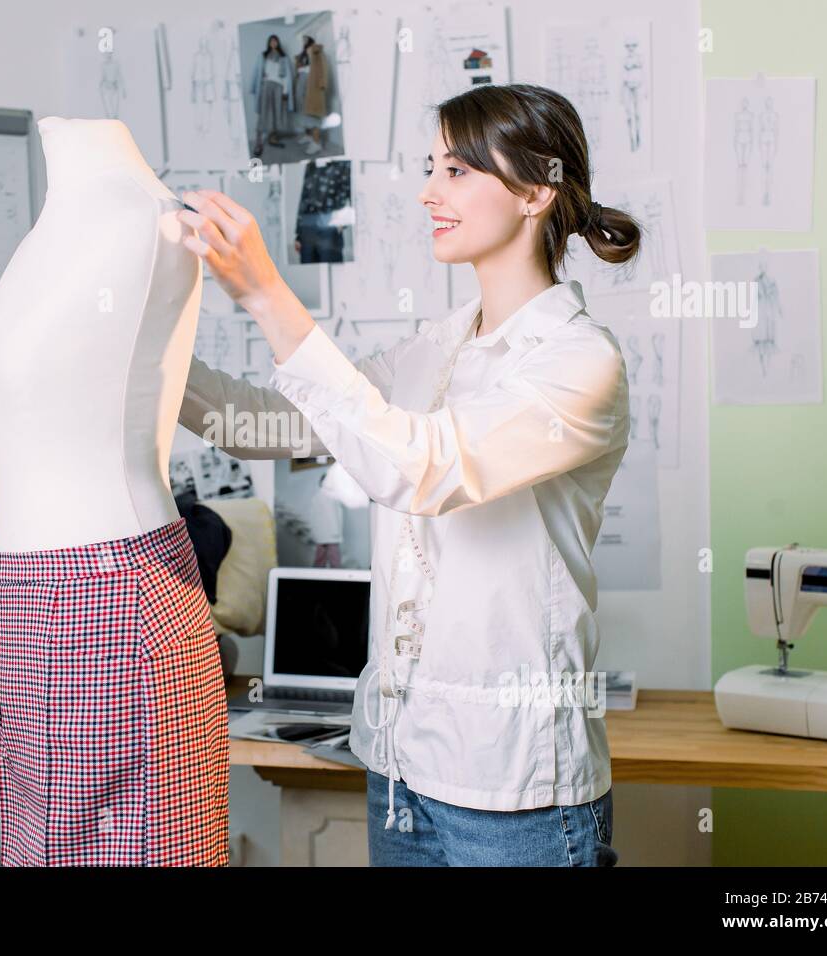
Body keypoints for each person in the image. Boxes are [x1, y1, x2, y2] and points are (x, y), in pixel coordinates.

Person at [175, 82, 642, 866]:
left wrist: (264, 292)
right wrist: (149, 362)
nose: (429, 192)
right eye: (431, 168)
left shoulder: (580, 363)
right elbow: (274, 423)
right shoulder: (434, 346)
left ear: (535, 190)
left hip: (515, 792)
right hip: (398, 771)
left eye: (457, 171)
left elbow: (419, 468)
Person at [250, 34, 291, 156]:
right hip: (266, 86)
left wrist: (285, 91)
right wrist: (261, 80)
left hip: (278, 86)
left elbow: (286, 77)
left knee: (276, 112)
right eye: (271, 41)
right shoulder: (263, 55)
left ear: (278, 43)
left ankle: (272, 138)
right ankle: (258, 142)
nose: (274, 43)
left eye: (275, 41)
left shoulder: (283, 57)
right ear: (269, 43)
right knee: (264, 112)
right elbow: (258, 71)